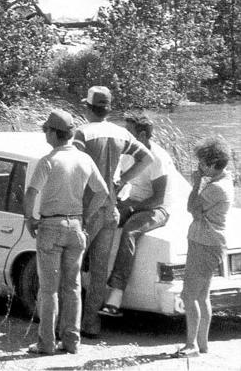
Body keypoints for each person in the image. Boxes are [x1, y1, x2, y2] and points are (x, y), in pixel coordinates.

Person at [23, 109, 111, 356]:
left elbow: (31, 193)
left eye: (46, 131)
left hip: (50, 226)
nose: (45, 135)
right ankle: (71, 341)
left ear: (53, 133)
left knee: (49, 289)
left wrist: (29, 218)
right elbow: (103, 193)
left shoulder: (48, 160)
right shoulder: (84, 159)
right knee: (72, 288)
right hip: (76, 227)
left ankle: (46, 343)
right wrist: (87, 215)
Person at [71, 86, 151, 338]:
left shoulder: (82, 133)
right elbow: (146, 158)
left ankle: (69, 325)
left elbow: (72, 167)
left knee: (72, 266)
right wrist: (122, 180)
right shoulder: (120, 133)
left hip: (87, 207)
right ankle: (91, 323)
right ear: (107, 109)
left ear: (87, 108)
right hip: (110, 207)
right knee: (98, 269)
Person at [100, 114, 177, 317]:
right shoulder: (129, 152)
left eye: (129, 132)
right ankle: (89, 275)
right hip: (134, 201)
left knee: (130, 230)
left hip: (157, 209)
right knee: (101, 216)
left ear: (142, 135)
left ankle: (116, 294)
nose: (125, 135)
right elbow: (121, 183)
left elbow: (159, 198)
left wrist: (131, 210)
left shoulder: (158, 158)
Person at [175, 137, 234, 358]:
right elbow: (198, 210)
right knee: (202, 296)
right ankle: (202, 344)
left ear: (211, 164)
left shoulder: (215, 187)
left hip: (204, 242)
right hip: (212, 242)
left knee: (189, 295)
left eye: (202, 163)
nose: (199, 166)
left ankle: (191, 346)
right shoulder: (225, 181)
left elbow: (192, 207)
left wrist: (196, 183)